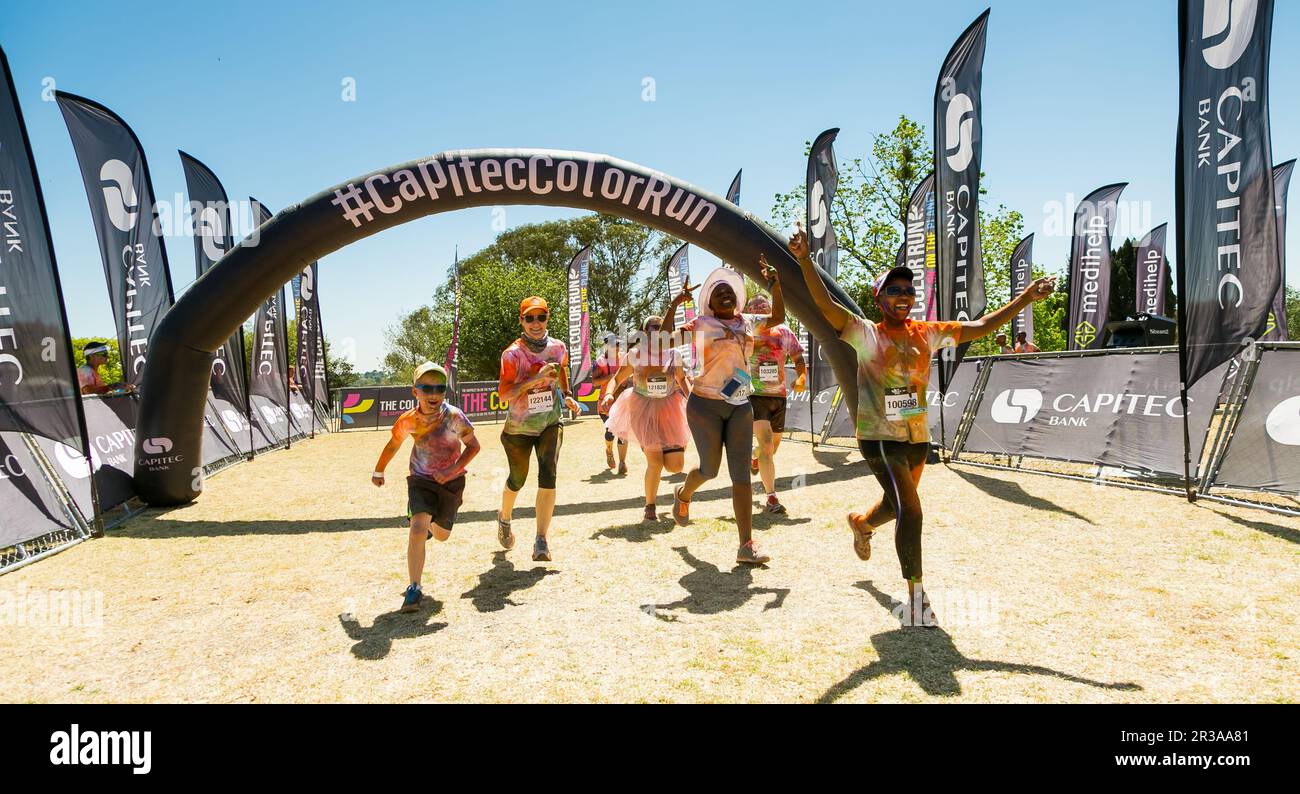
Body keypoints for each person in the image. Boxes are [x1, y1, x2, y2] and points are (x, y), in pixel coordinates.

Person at [791, 224, 1055, 626]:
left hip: (916, 437)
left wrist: (1024, 297)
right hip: (879, 438)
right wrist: (806, 260)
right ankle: (916, 596)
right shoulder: (864, 334)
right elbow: (825, 304)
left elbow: (981, 328)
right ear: (878, 298)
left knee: (896, 506)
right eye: (894, 290)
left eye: (909, 291)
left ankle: (861, 523)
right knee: (911, 512)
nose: (904, 296)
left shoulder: (926, 334)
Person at [664, 265, 770, 565]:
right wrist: (675, 304)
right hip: (705, 404)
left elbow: (777, 319)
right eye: (718, 292)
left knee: (740, 476)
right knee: (709, 470)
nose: (724, 294)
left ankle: (746, 544)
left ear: (736, 299)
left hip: (740, 404)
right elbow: (664, 338)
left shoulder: (747, 323)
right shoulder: (701, 324)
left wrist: (775, 286)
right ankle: (683, 493)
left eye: (729, 292)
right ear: (709, 302)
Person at [372, 362, 480, 613]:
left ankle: (431, 526)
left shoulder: (454, 416)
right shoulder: (408, 420)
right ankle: (414, 588)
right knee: (417, 530)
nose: (433, 394)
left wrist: (452, 470)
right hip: (420, 480)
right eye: (426, 388)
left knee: (441, 535)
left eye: (439, 389)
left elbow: (474, 446)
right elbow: (393, 445)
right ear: (415, 392)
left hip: (451, 482)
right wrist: (379, 470)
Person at [497, 296, 581, 562]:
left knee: (549, 474)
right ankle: (505, 517)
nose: (536, 323)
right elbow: (504, 395)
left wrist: (567, 394)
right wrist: (535, 378)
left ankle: (541, 540)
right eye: (530, 318)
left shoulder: (557, 347)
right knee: (517, 479)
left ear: (547, 318)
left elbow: (561, 369)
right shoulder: (512, 354)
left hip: (549, 422)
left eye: (541, 317)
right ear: (521, 320)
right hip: (519, 428)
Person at [600, 316, 692, 521]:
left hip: (670, 409)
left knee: (675, 466)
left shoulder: (673, 354)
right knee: (655, 461)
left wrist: (693, 400)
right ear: (643, 332)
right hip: (642, 408)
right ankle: (650, 506)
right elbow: (616, 379)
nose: (656, 331)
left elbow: (682, 379)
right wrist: (608, 394)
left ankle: (679, 493)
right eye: (651, 328)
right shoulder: (635, 355)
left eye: (660, 328)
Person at [742, 265, 806, 514]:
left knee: (772, 448)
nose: (760, 311)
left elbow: (799, 358)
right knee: (767, 443)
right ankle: (771, 498)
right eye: (755, 309)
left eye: (763, 308)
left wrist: (801, 376)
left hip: (778, 396)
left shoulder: (784, 332)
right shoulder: (747, 331)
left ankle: (755, 458)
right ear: (750, 313)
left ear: (770, 309)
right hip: (755, 394)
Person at [591, 332, 629, 475]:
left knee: (623, 432)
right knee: (611, 431)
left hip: (622, 401)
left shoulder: (624, 358)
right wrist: (610, 378)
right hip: (605, 403)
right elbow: (594, 382)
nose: (617, 348)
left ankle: (622, 462)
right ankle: (609, 451)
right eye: (614, 345)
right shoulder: (600, 362)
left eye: (618, 344)